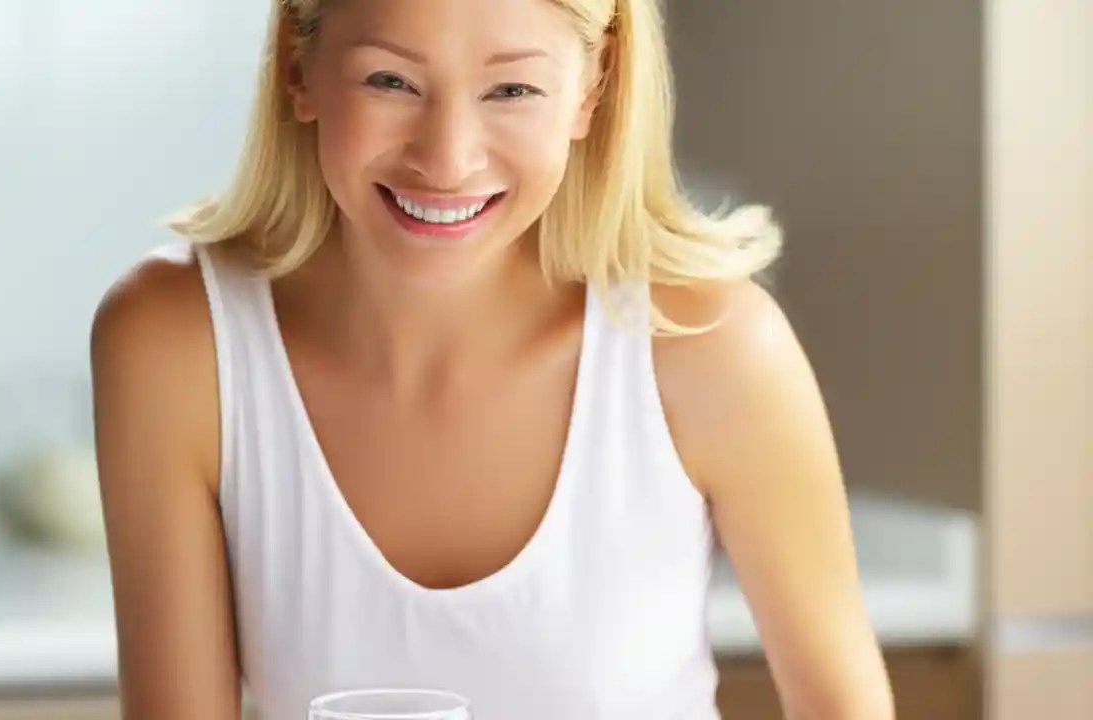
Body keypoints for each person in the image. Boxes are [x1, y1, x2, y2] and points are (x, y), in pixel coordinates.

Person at [89, 0, 895, 717]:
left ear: (592, 86)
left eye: (511, 90)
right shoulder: (174, 344)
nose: (447, 160)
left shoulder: (709, 347)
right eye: (390, 81)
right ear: (298, 69)